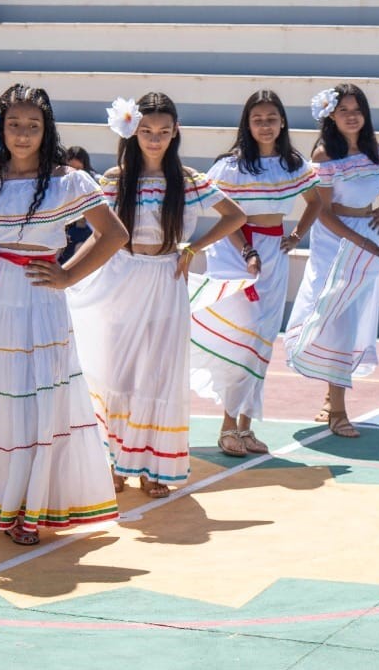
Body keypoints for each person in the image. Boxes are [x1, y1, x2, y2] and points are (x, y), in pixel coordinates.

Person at [0, 83, 129, 546]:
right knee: (1, 400)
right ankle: (7, 501)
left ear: (47, 130)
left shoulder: (68, 181)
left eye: (33, 125)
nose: (23, 134)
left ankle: (33, 506)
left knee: (39, 399)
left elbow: (113, 234)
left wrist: (67, 275)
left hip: (41, 302)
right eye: (14, 124)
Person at [67, 94, 246, 497]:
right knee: (117, 372)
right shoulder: (115, 178)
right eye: (147, 130)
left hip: (166, 279)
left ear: (175, 132)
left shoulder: (188, 179)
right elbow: (100, 235)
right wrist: (67, 275)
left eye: (164, 131)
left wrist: (193, 248)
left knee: (158, 374)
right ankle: (116, 461)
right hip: (121, 278)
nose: (155, 139)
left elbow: (236, 215)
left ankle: (152, 467)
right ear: (133, 131)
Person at [191, 90, 322, 456]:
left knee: (263, 337)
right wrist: (247, 251)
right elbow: (227, 218)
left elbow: (315, 202)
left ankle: (245, 427)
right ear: (247, 124)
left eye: (271, 119)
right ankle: (227, 426)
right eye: (258, 119)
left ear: (282, 123)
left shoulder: (293, 164)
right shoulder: (230, 166)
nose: (265, 125)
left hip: (274, 253)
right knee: (241, 336)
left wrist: (296, 236)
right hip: (235, 252)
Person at [282, 84, 379, 439]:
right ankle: (339, 410)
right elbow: (324, 211)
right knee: (336, 316)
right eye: (343, 110)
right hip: (335, 240)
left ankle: (332, 397)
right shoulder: (324, 155)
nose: (351, 116)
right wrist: (359, 240)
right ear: (330, 116)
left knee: (352, 314)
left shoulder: (375, 149)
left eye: (357, 110)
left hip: (366, 231)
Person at [58, 145, 98, 264]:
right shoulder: (58, 181)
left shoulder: (91, 182)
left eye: (78, 169)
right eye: (71, 168)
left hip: (82, 228)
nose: (74, 173)